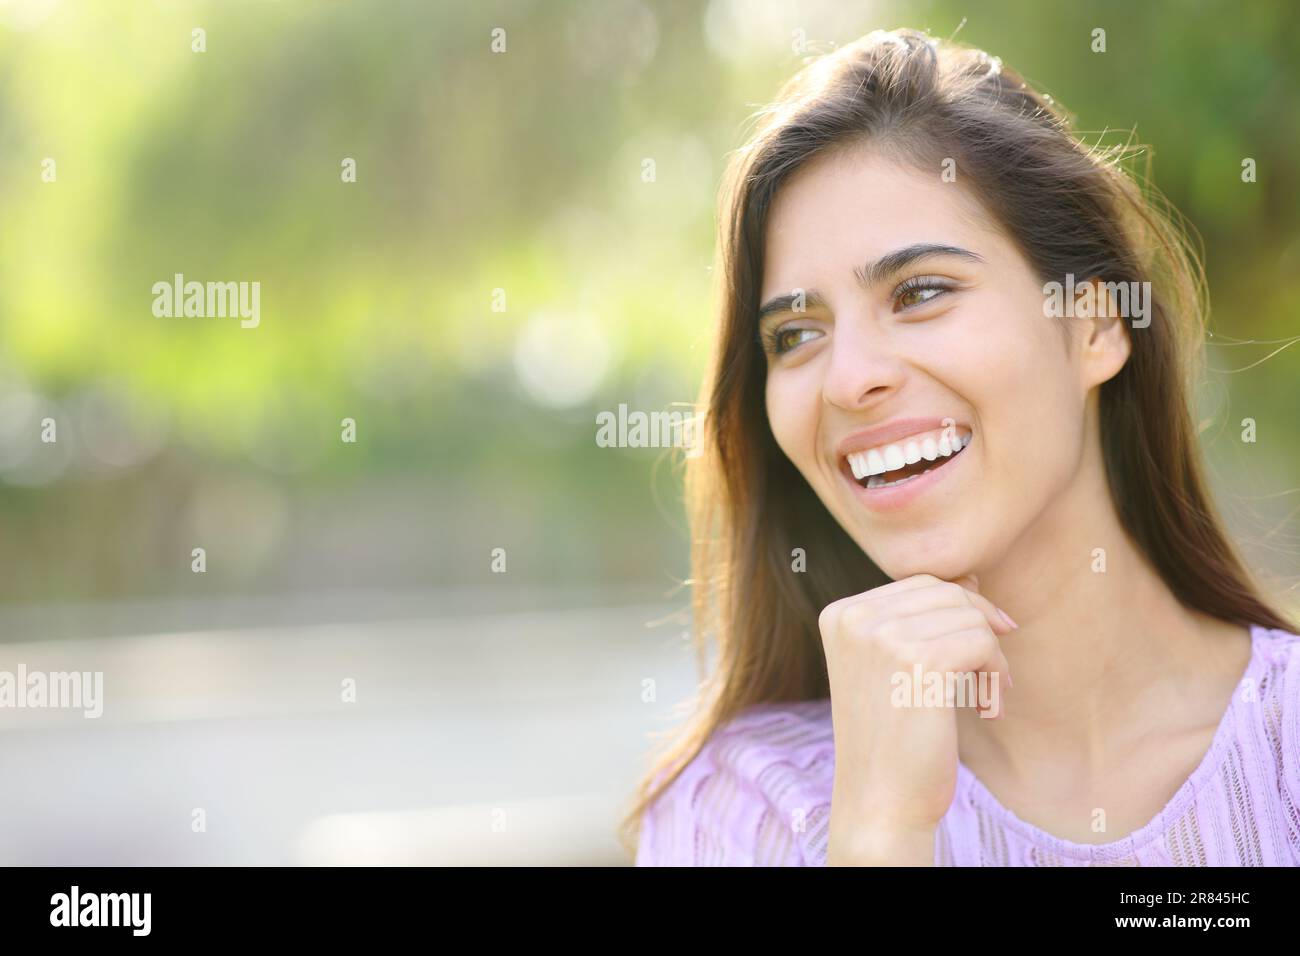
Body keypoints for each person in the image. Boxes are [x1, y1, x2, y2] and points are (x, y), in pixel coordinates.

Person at [622, 28, 1300, 866]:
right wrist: (877, 831)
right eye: (796, 333)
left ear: (1095, 324)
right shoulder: (739, 813)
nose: (848, 380)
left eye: (921, 292)